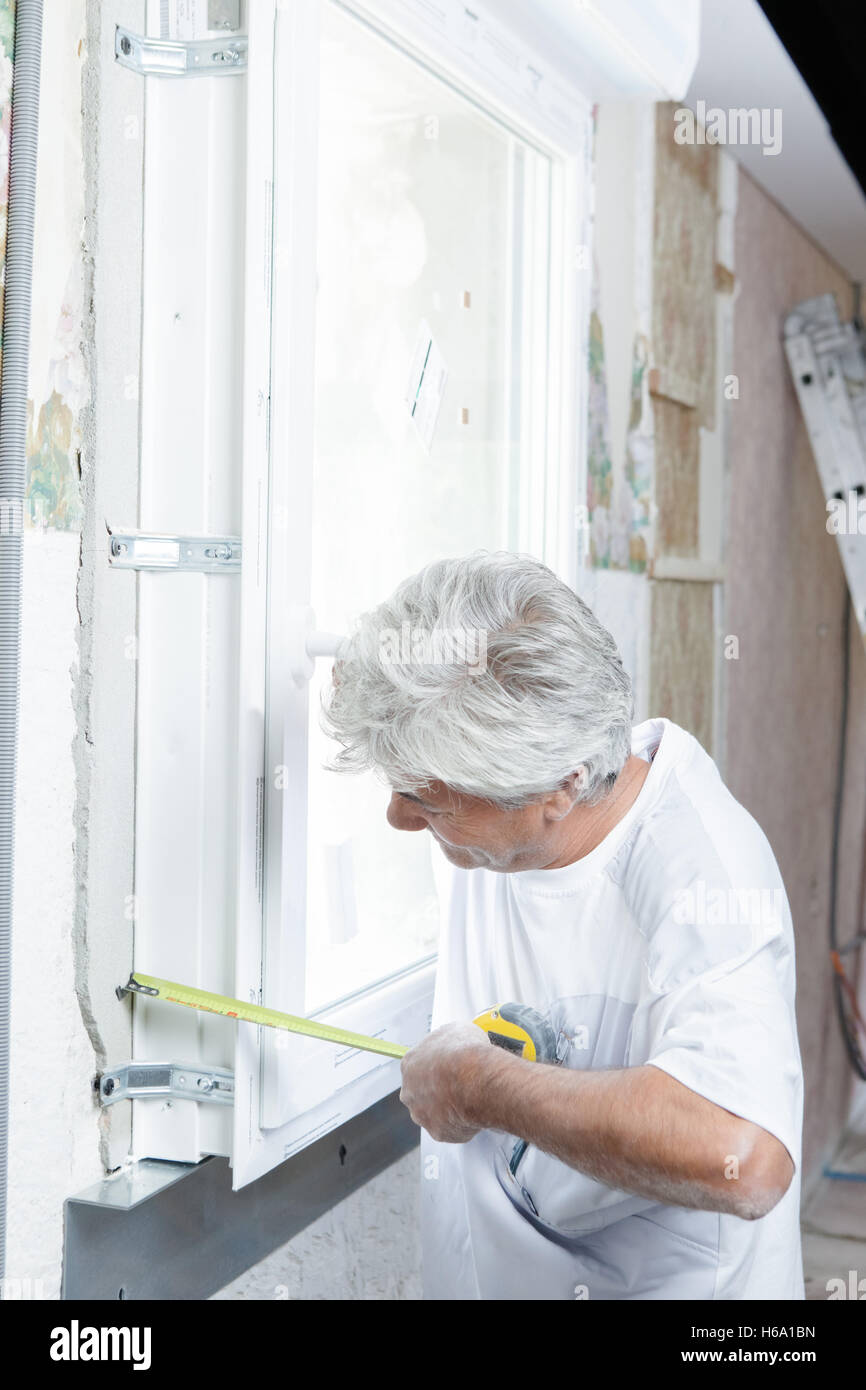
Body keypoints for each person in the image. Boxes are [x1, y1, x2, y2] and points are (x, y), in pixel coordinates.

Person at [323, 551, 804, 1300]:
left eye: (428, 802)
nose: (398, 818)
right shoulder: (505, 809)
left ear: (559, 788)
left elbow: (743, 1155)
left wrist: (482, 1087)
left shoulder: (702, 871)